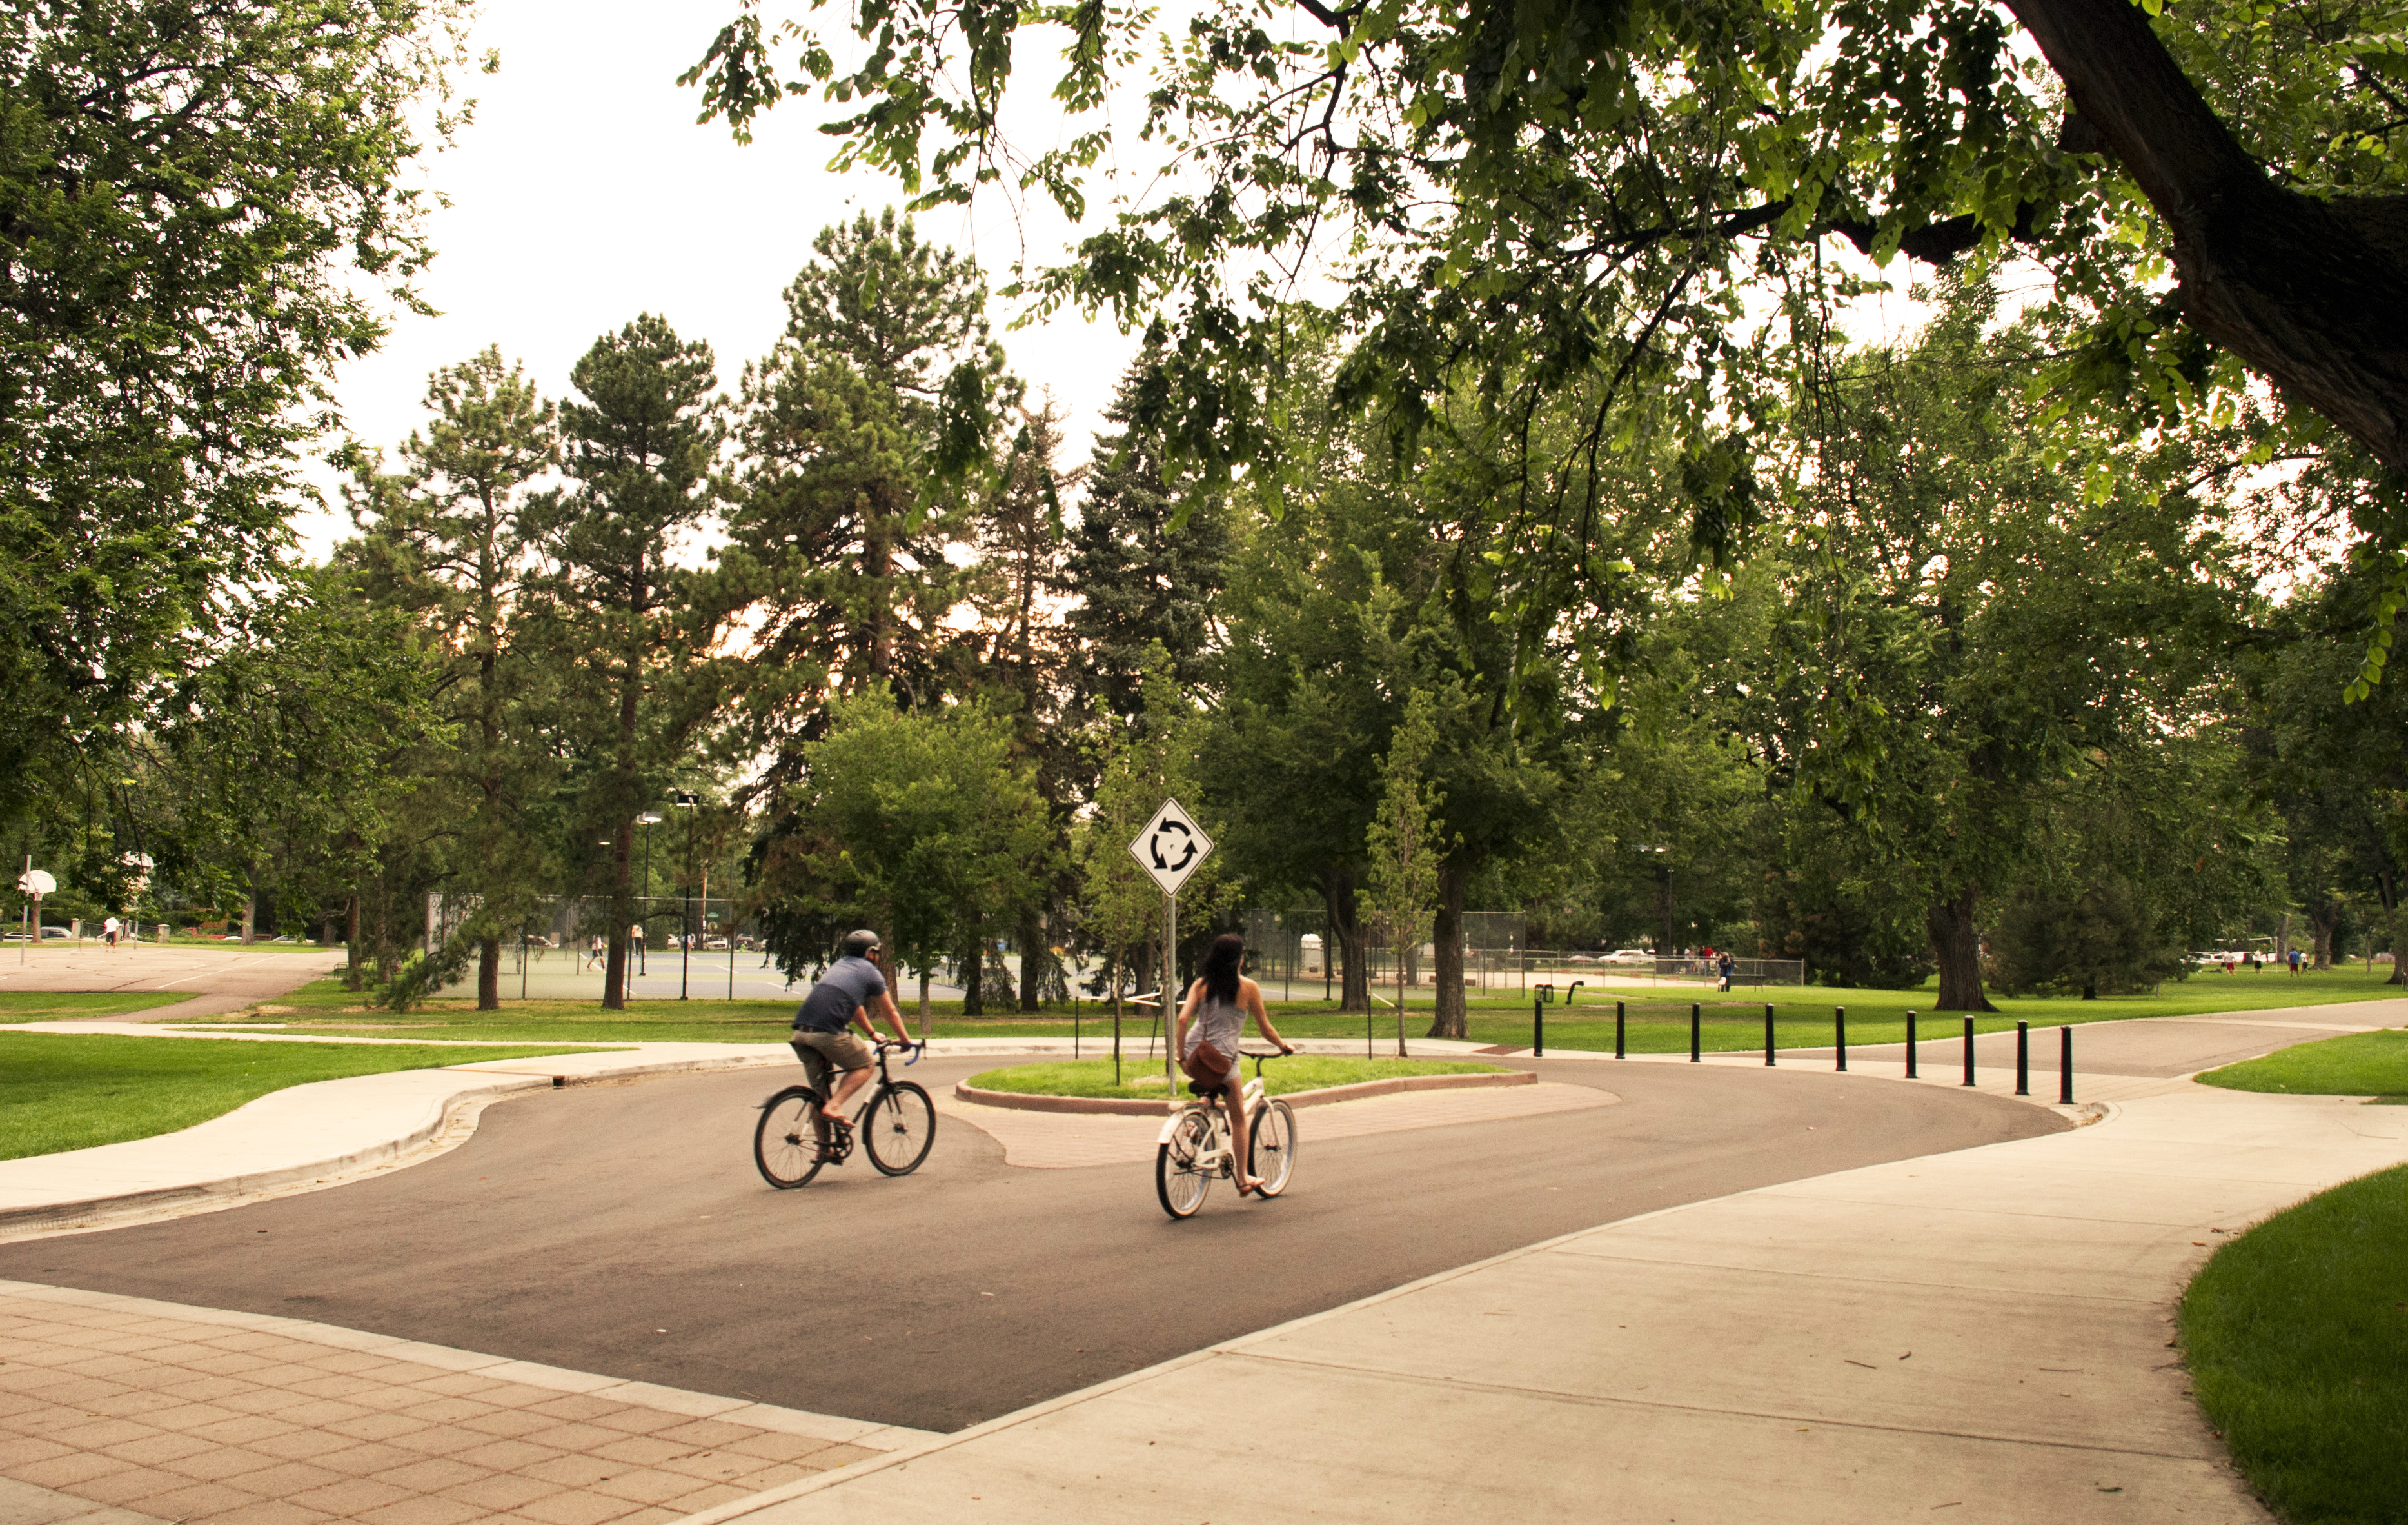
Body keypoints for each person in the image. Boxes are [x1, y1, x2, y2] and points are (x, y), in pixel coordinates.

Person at [1174, 933, 1294, 1197]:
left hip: (1196, 1055)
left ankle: (1196, 1125)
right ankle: (1242, 1179)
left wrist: (1181, 1057)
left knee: (1211, 1089)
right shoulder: (1248, 987)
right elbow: (1265, 1029)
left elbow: (1183, 1019)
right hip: (1222, 1060)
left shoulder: (1200, 985)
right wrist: (1282, 1046)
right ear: (1238, 960)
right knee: (1239, 1117)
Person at [790, 930, 916, 1157]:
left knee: (820, 1097)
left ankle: (824, 1151)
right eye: (876, 952)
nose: (878, 957)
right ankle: (836, 1106)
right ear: (870, 953)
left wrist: (871, 1032)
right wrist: (906, 1040)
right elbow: (890, 1010)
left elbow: (854, 1006)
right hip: (827, 1033)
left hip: (801, 1034)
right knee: (866, 1065)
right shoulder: (870, 972)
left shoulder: (840, 966)